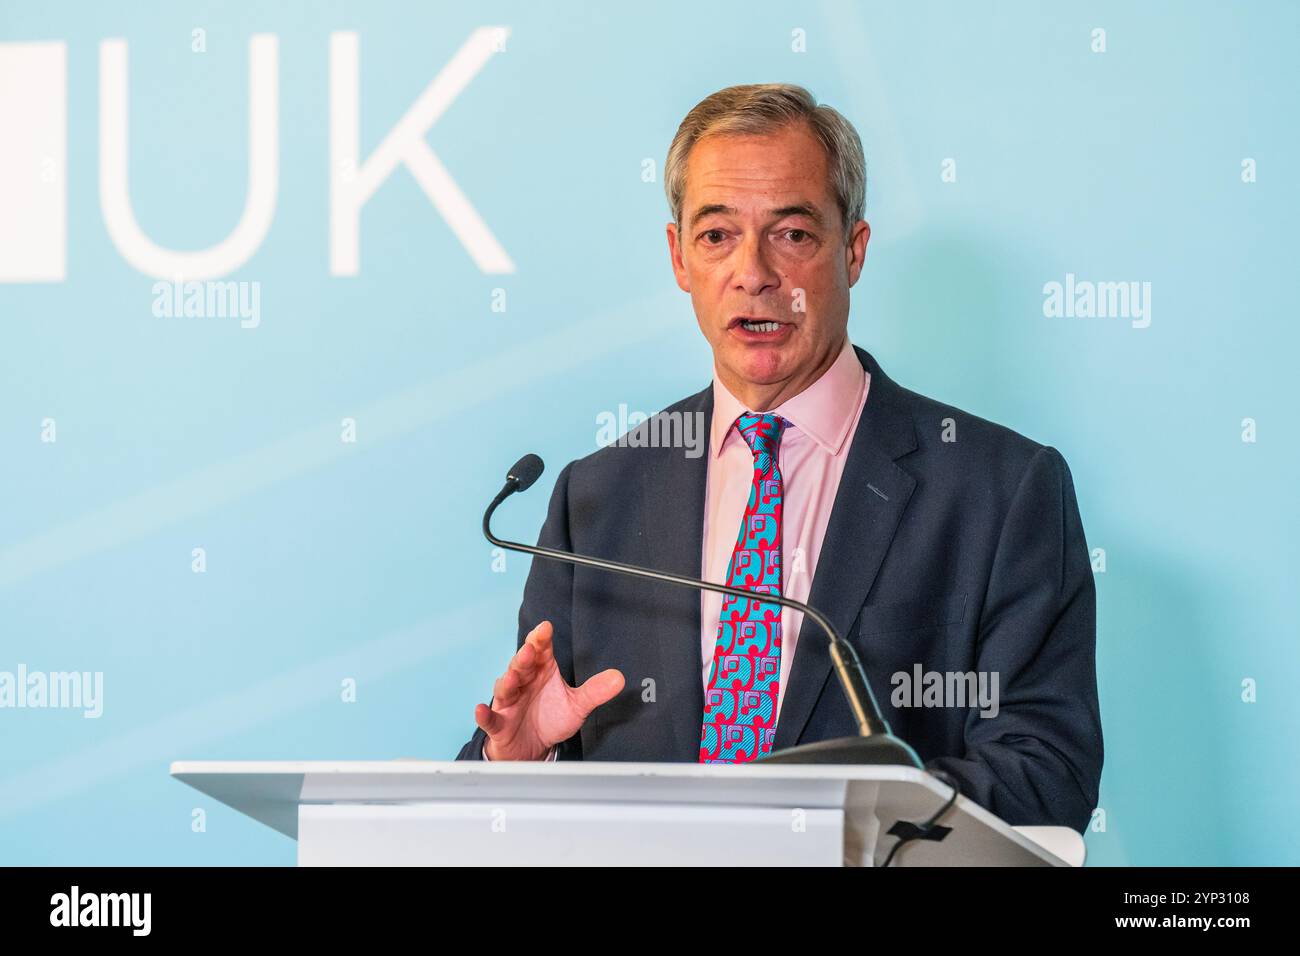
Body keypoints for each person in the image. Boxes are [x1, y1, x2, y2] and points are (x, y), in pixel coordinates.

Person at [457, 83, 1102, 832]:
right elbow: (504, 813)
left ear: (852, 250)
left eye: (792, 234)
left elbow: (1046, 770)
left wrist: (810, 830)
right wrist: (522, 759)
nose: (754, 271)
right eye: (717, 235)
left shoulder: (1001, 489)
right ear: (679, 259)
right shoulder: (597, 497)